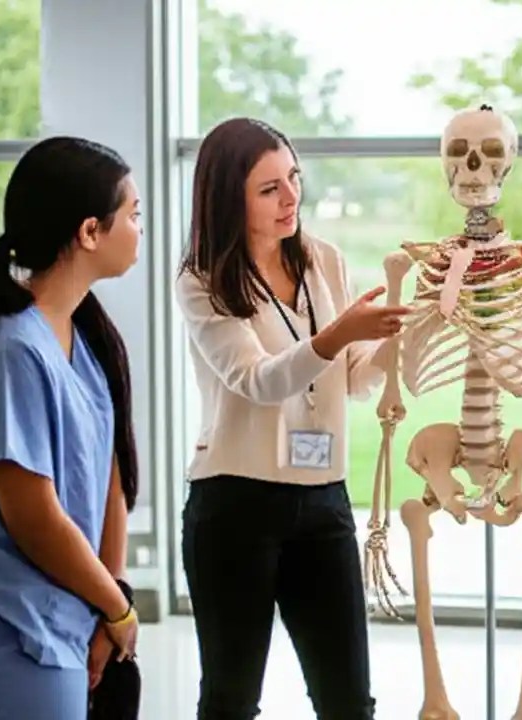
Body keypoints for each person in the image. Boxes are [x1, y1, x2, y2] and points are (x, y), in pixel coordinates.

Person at [176, 117, 410, 720]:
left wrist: (399, 335)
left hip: (322, 502)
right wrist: (339, 335)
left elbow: (354, 378)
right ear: (229, 198)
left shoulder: (323, 260)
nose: (290, 199)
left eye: (294, 179)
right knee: (230, 701)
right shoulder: (201, 280)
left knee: (349, 703)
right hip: (234, 507)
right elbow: (257, 380)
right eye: (268, 189)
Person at [0, 136, 143, 719]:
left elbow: (108, 479)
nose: (141, 229)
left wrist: (107, 610)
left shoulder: (81, 335)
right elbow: (32, 516)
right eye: (133, 215)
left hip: (62, 610)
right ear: (91, 231)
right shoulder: (9, 351)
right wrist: (115, 609)